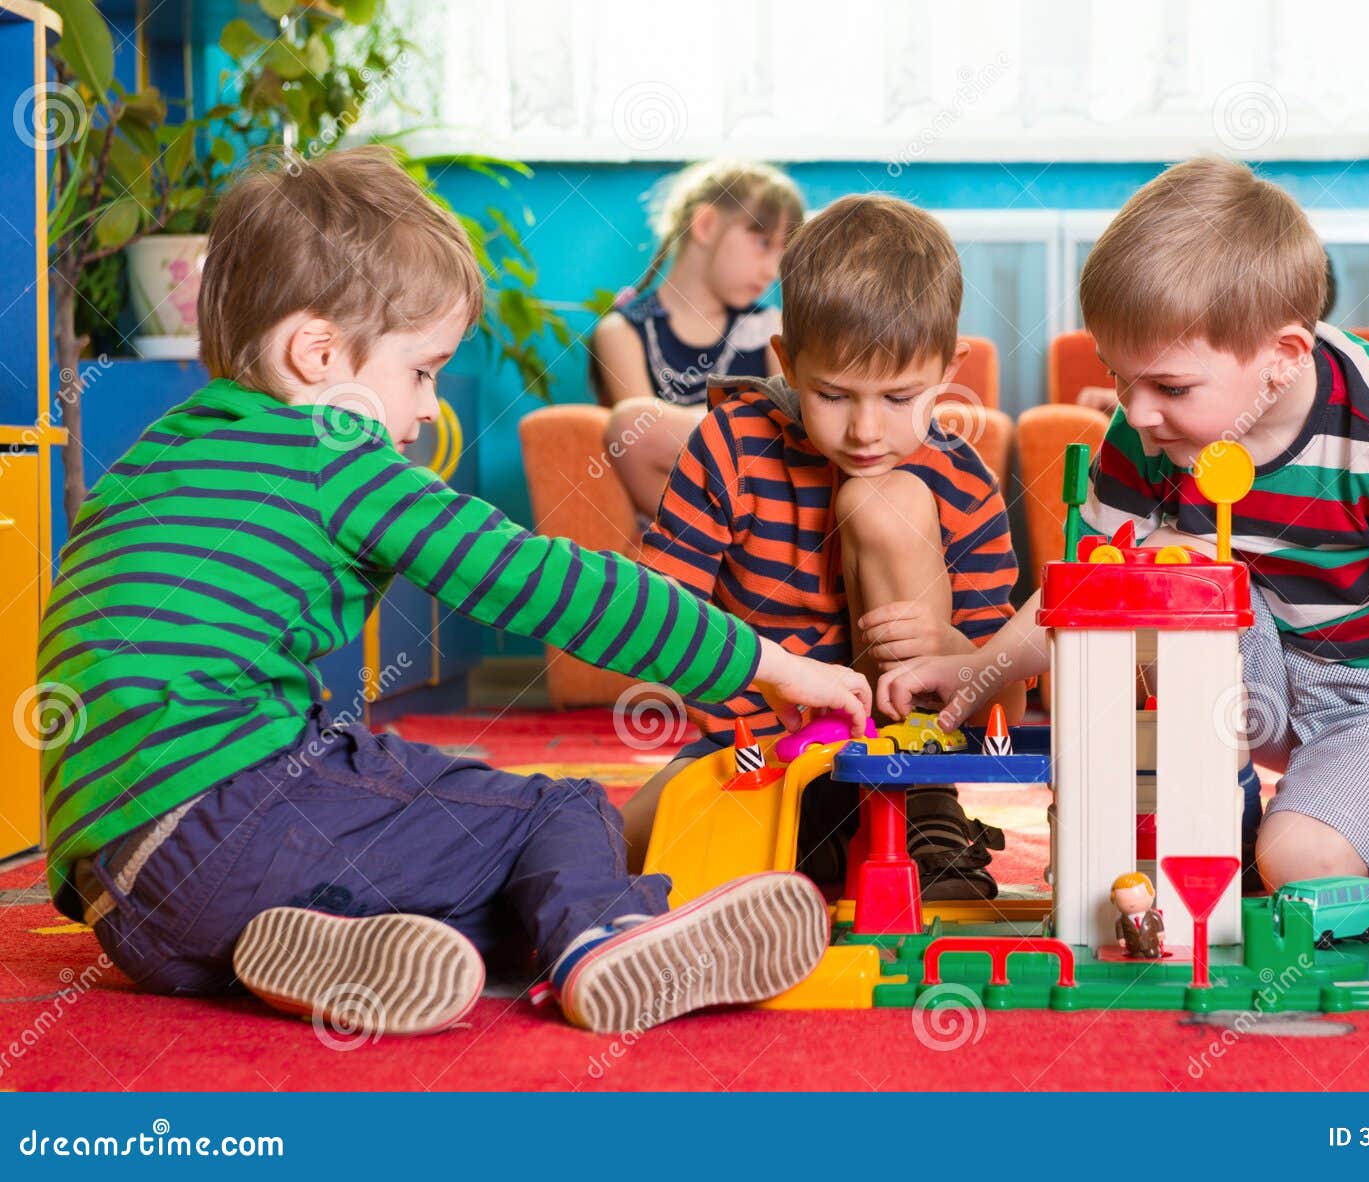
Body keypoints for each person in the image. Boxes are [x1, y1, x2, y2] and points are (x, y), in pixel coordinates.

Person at [42, 146, 872, 1040]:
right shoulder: (334, 454)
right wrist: (768, 663)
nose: (430, 408)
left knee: (454, 856)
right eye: (422, 372)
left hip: (128, 902)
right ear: (319, 354)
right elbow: (543, 583)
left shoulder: (169, 446)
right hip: (237, 815)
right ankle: (610, 935)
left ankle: (326, 949)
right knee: (559, 812)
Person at [879, 157, 1369, 917]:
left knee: (1296, 866)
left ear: (1282, 358)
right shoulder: (1145, 430)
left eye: (1170, 387)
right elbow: (1081, 591)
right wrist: (975, 672)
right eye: (1120, 378)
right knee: (1151, 564)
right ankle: (1240, 814)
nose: (1137, 411)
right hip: (1245, 665)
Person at [625, 194, 1027, 899]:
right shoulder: (731, 443)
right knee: (609, 858)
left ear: (947, 369)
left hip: (899, 764)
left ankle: (920, 814)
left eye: (899, 398)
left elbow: (1011, 703)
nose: (866, 430)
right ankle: (815, 850)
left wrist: (950, 647)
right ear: (785, 360)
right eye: (834, 395)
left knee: (881, 499)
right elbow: (666, 613)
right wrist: (766, 687)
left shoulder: (963, 482)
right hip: (754, 752)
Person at [590, 159, 801, 515]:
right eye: (764, 243)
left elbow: (791, 437)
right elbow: (644, 441)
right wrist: (746, 428)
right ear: (705, 225)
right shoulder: (622, 331)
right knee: (634, 422)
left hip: (759, 494)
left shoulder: (769, 327)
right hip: (682, 500)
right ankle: (705, 539)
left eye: (783, 252)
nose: (773, 270)